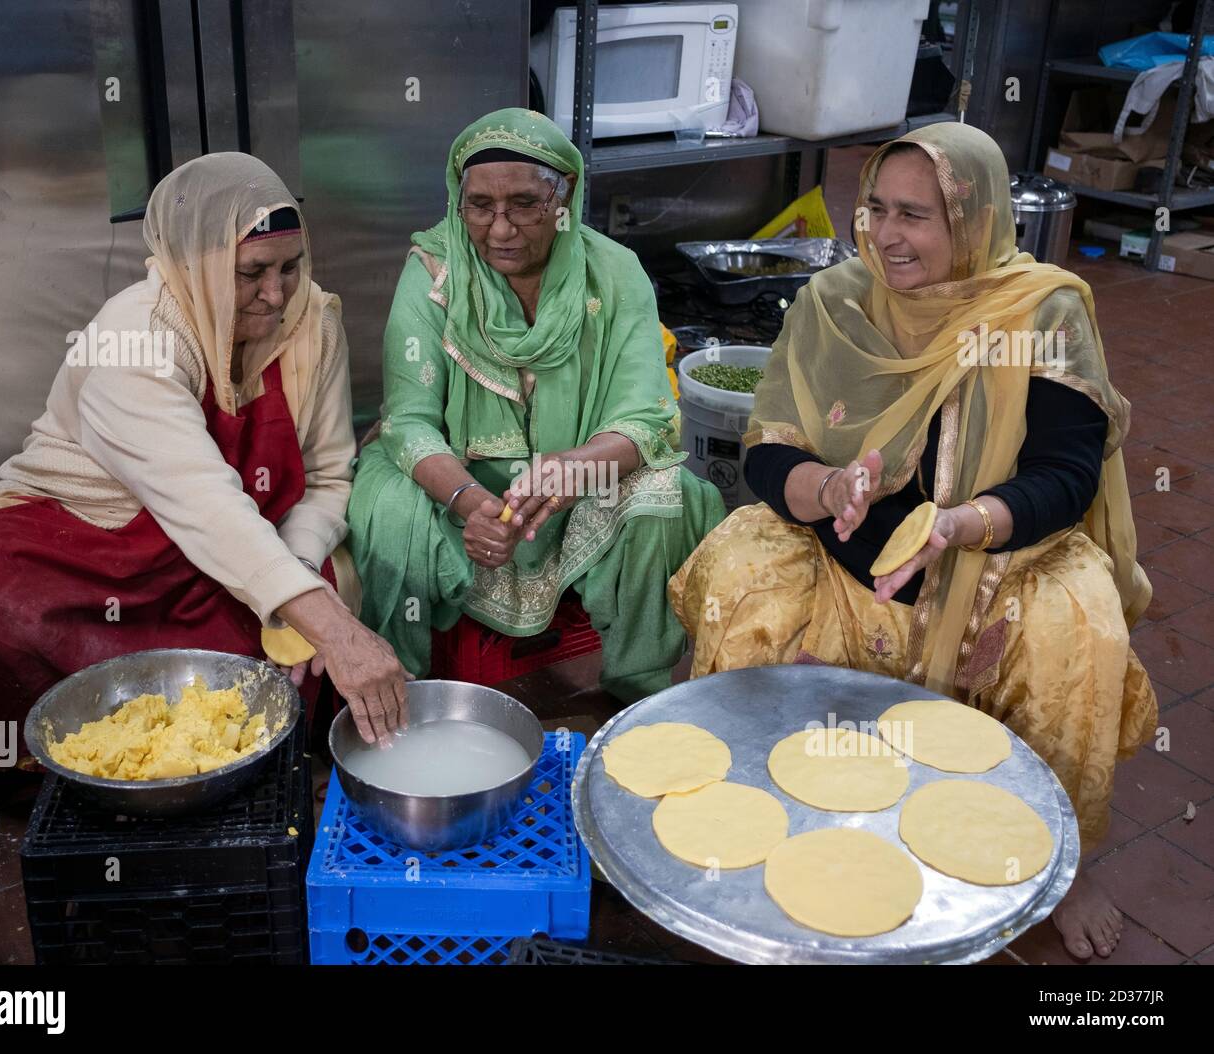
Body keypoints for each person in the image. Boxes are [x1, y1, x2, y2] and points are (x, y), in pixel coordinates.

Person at [669, 123, 1157, 960]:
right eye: (877, 211)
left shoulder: (1040, 309)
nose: (888, 236)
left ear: (974, 219)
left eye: (917, 216)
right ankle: (754, 803)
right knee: (737, 571)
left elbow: (1065, 476)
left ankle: (1064, 860)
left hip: (995, 553)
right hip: (844, 553)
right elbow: (769, 449)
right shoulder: (837, 302)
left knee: (1080, 629)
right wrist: (825, 488)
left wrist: (962, 525)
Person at [0, 152, 408, 752]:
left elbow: (329, 476)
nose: (277, 295)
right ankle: (50, 771)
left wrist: (298, 573)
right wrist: (330, 627)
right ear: (191, 263)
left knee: (292, 625)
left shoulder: (312, 325)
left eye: (291, 267)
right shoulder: (135, 338)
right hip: (90, 540)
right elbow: (202, 502)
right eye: (251, 273)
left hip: (240, 547)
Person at [347, 108, 725, 702]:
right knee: (388, 510)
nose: (499, 230)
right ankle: (401, 698)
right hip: (461, 483)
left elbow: (644, 416)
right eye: (479, 207)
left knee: (669, 497)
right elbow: (408, 422)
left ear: (562, 196)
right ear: (458, 199)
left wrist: (579, 467)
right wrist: (471, 503)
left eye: (524, 204)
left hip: (577, 483)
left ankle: (639, 698)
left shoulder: (615, 274)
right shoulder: (433, 273)